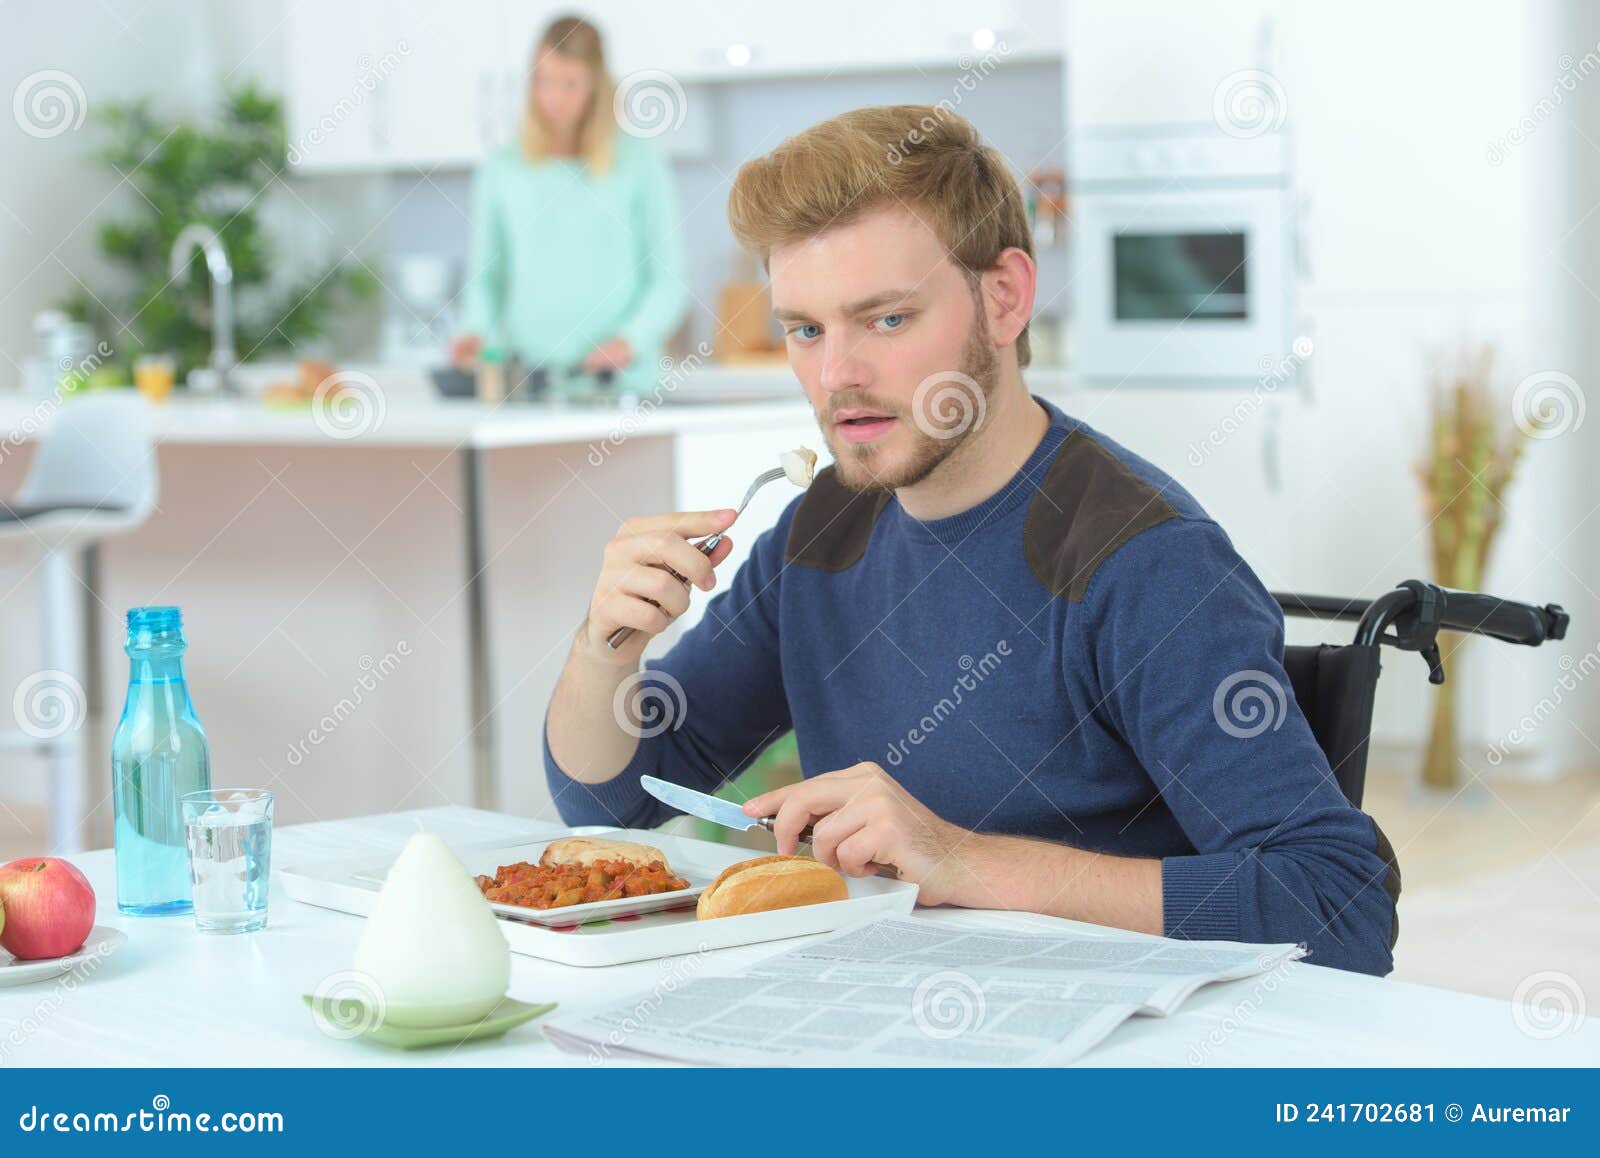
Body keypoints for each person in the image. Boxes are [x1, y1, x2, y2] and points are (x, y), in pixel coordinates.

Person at [543, 104, 1401, 976]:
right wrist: (604, 649)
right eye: (805, 329)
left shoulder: (1144, 562)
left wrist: (962, 861)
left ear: (1005, 298)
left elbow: (1338, 906)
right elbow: (607, 800)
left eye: (886, 320)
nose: (837, 374)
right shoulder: (825, 525)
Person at [453, 15, 686, 393]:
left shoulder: (640, 164)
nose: (553, 98)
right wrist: (475, 331)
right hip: (527, 386)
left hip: (619, 387)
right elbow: (486, 280)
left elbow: (668, 282)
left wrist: (629, 340)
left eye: (569, 84)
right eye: (543, 81)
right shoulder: (501, 169)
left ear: (596, 85)